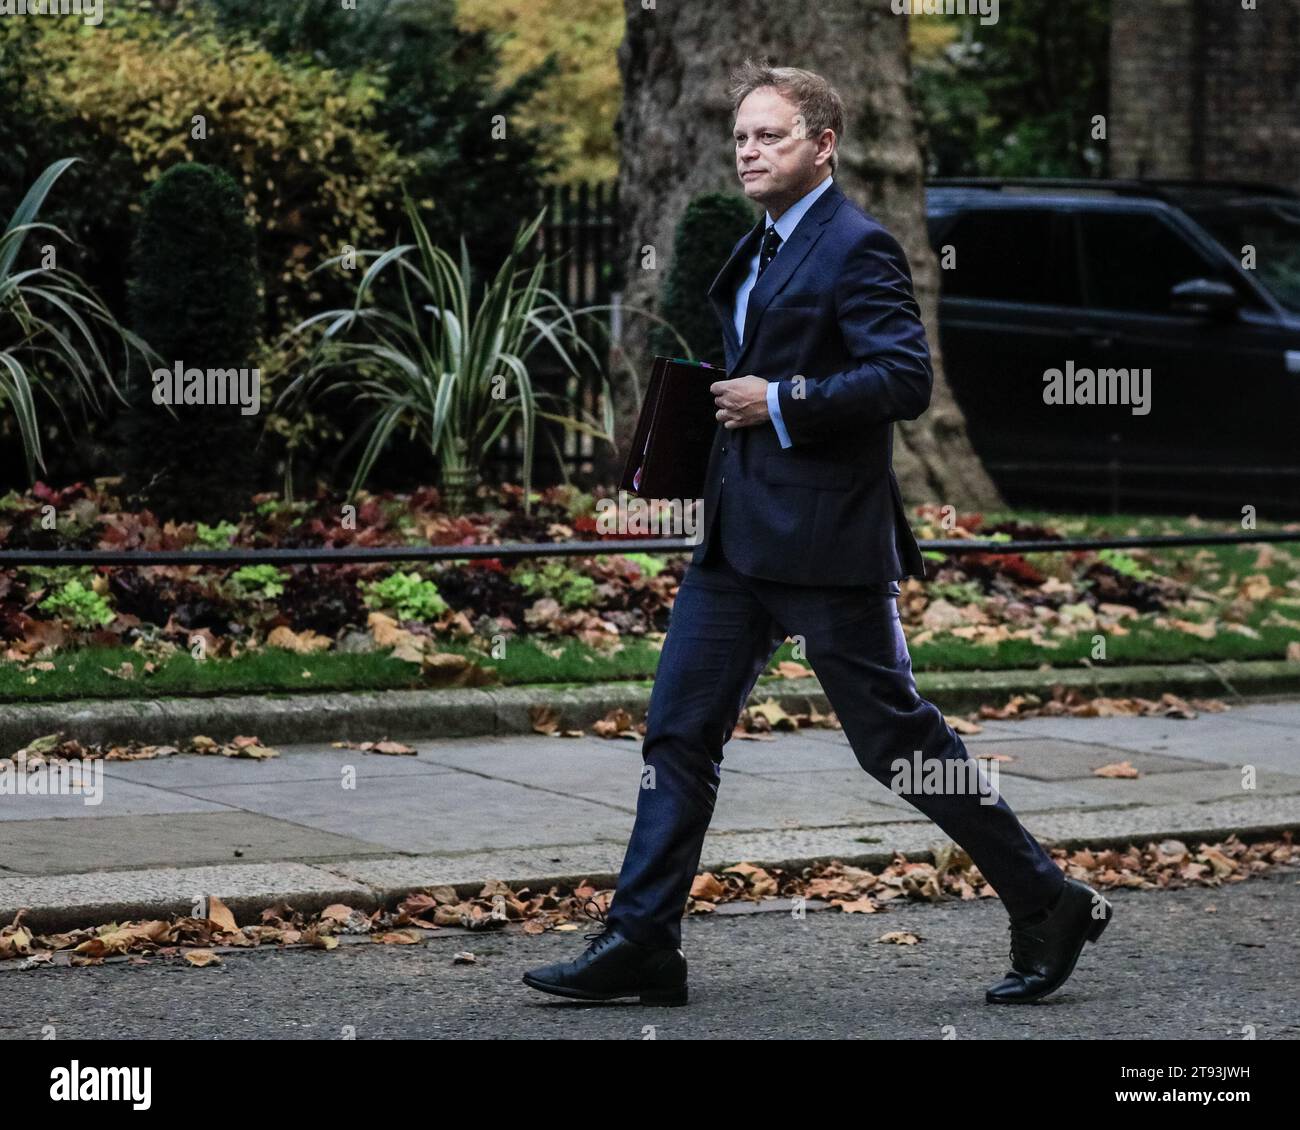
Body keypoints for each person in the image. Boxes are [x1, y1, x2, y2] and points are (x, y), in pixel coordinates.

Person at [523, 61, 1112, 1008]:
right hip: (737, 539)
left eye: (772, 136)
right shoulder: (760, 245)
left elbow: (903, 381)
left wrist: (780, 399)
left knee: (895, 742)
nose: (750, 151)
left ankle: (1046, 898)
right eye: (744, 137)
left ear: (823, 144)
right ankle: (641, 940)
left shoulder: (857, 246)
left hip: (826, 545)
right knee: (676, 730)